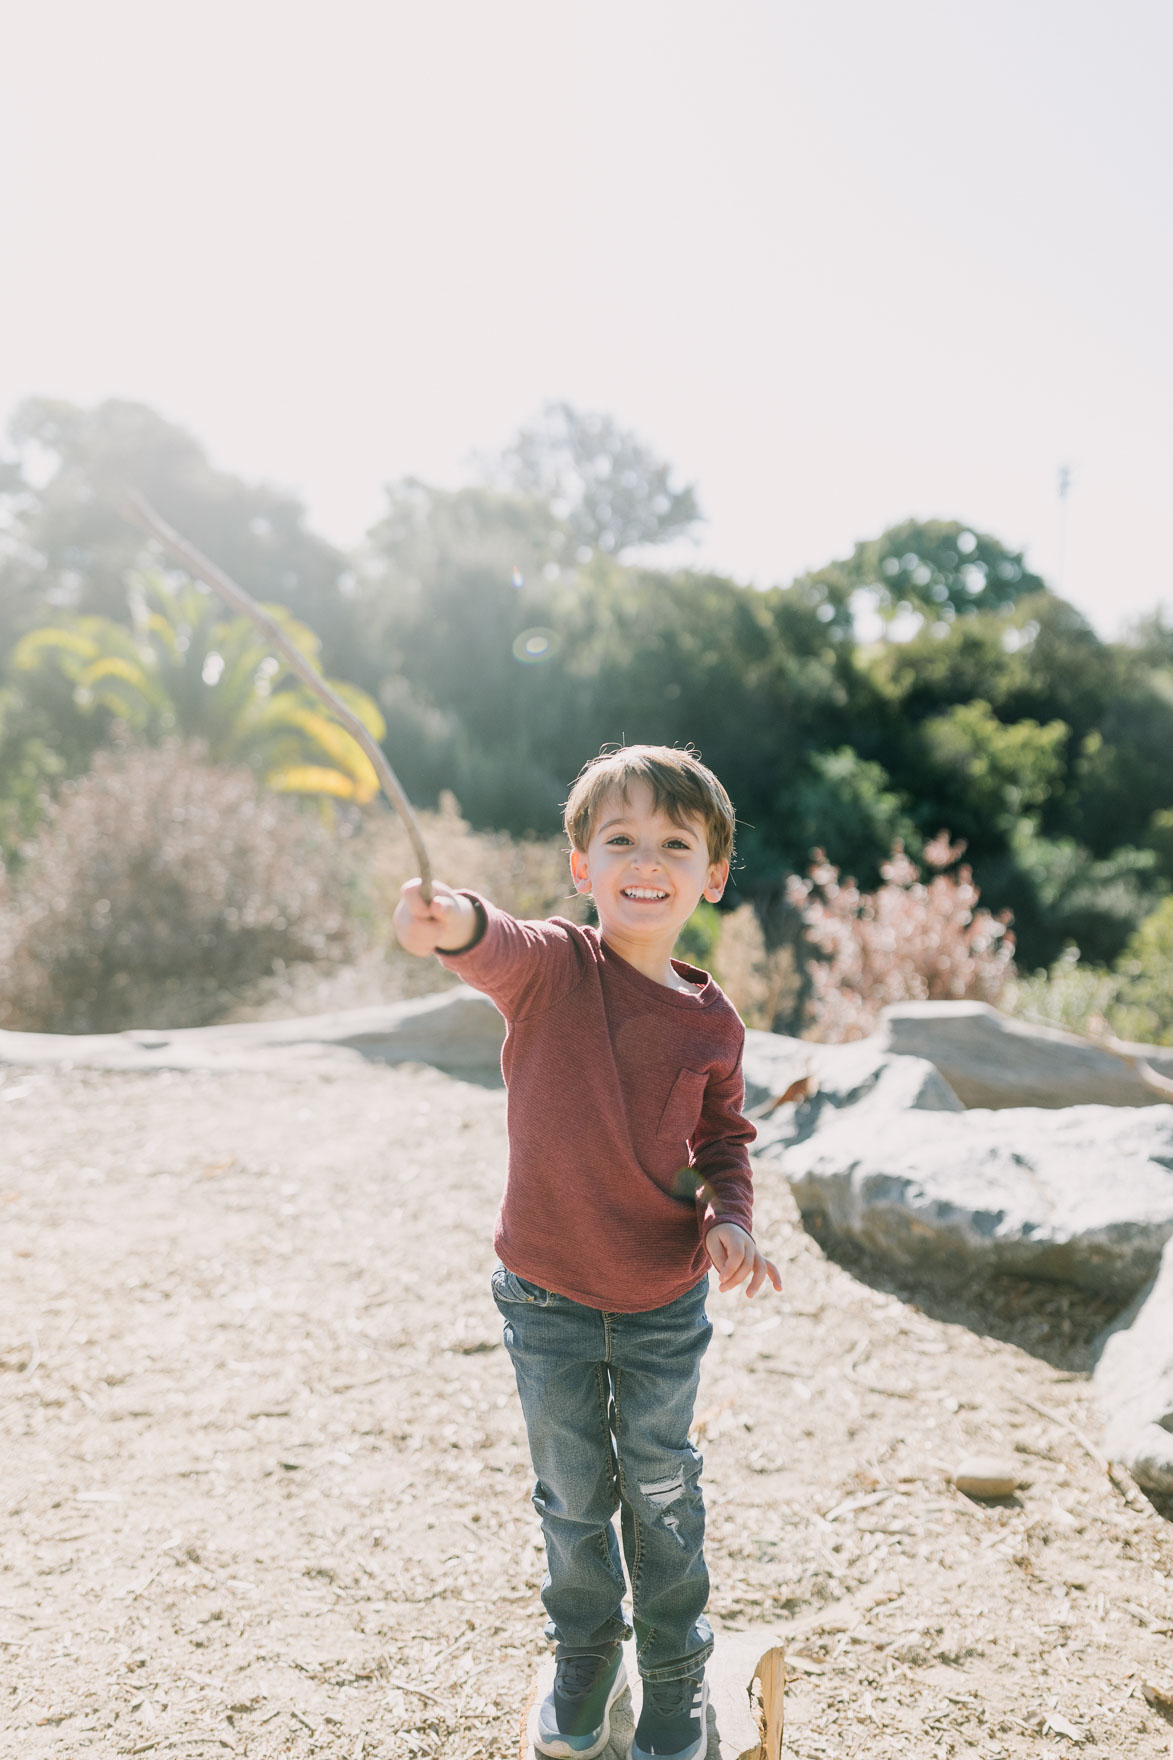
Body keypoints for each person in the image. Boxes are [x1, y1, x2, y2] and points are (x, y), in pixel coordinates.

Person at [393, 744, 781, 1760]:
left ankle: (672, 1670)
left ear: (713, 875)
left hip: (660, 1303)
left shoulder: (713, 1023)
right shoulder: (555, 967)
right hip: (545, 1296)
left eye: (674, 842)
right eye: (621, 839)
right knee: (570, 1492)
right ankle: (585, 1650)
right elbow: (495, 941)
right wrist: (457, 920)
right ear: (581, 866)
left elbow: (725, 1142)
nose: (645, 859)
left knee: (660, 1489)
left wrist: (730, 1217)